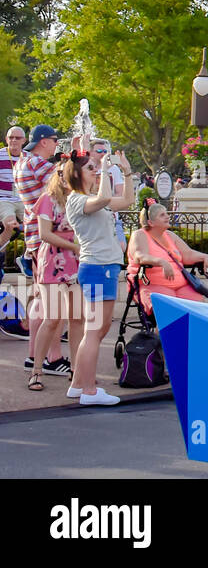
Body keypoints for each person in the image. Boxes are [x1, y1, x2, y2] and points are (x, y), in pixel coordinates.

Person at [64, 149, 135, 406]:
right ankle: (90, 391)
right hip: (98, 267)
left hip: (103, 266)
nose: (95, 172)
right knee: (94, 330)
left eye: (95, 169)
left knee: (99, 329)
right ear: (77, 174)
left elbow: (126, 200)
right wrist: (105, 168)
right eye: (90, 169)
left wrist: (126, 171)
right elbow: (106, 196)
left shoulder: (91, 198)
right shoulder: (77, 200)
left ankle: (78, 385)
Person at [15, 124, 64, 367]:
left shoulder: (24, 163)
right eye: (55, 140)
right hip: (48, 240)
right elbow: (65, 184)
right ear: (44, 141)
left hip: (35, 238)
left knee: (41, 299)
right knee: (53, 304)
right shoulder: (36, 164)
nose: (57, 144)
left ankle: (34, 354)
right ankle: (52, 358)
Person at [27, 169, 80, 389]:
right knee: (52, 319)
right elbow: (45, 234)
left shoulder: (78, 199)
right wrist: (74, 246)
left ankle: (77, 371)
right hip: (54, 260)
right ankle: (36, 370)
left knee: (77, 319)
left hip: (76, 261)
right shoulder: (47, 200)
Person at [127, 201, 208, 312]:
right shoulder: (139, 235)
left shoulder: (170, 235)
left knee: (198, 309)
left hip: (181, 286)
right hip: (153, 285)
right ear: (151, 222)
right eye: (162, 215)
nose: (167, 217)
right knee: (168, 310)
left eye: (166, 213)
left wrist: (205, 257)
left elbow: (187, 254)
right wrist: (161, 262)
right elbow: (139, 256)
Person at [0, 126, 26, 266]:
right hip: (4, 199)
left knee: (38, 224)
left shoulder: (29, 157)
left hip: (23, 200)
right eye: (11, 137)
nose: (14, 140)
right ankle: (0, 260)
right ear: (6, 139)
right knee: (9, 224)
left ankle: (26, 260)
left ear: (24, 140)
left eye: (18, 138)